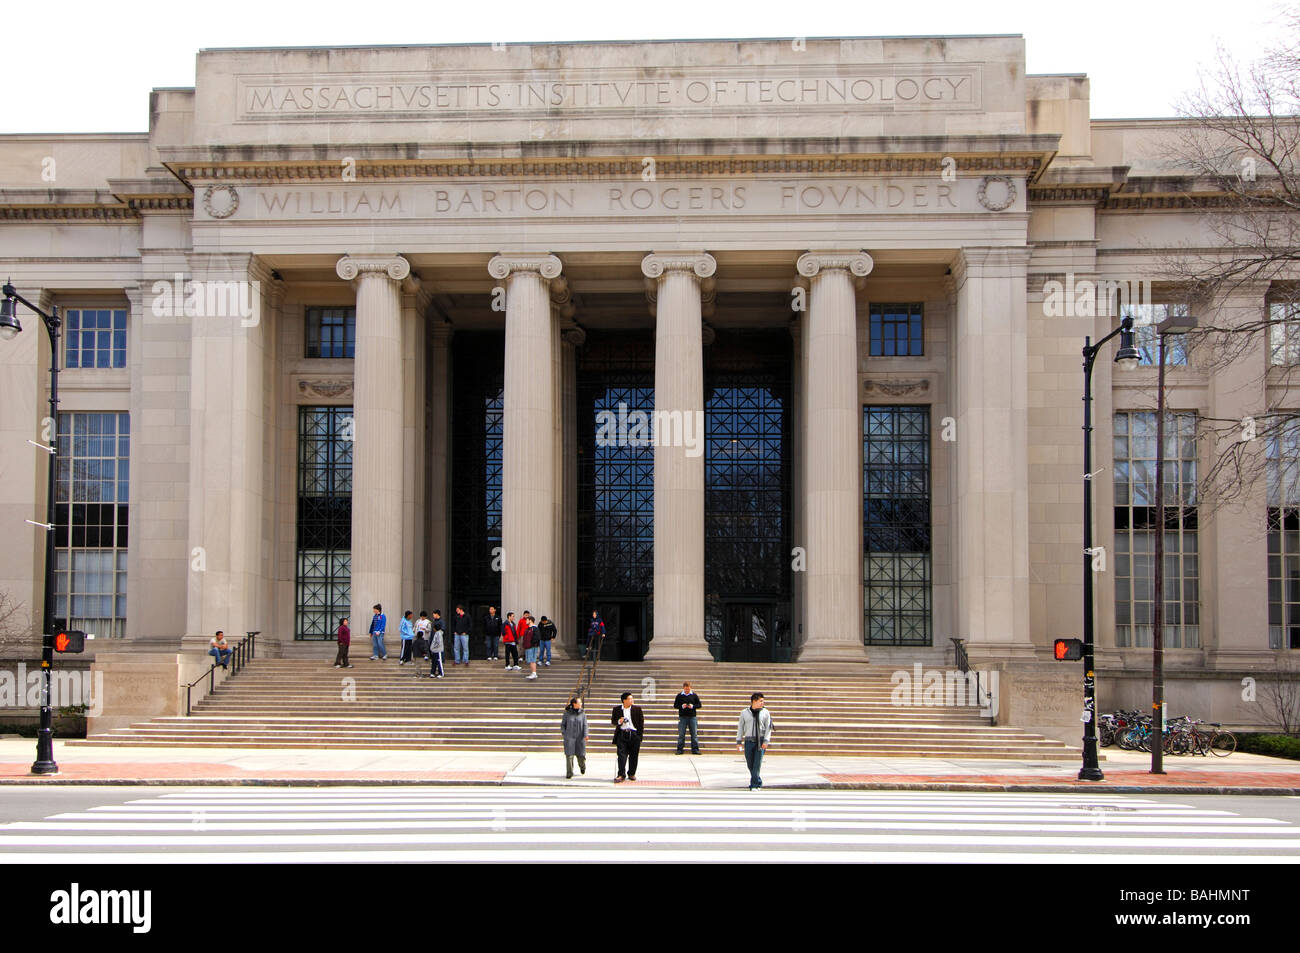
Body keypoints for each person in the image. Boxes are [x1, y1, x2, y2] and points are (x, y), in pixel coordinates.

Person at [736, 692, 773, 790]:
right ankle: (758, 780)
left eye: (763, 701)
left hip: (760, 740)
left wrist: (766, 741)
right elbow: (741, 727)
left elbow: (768, 728)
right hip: (748, 740)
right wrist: (738, 741)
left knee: (757, 763)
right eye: (760, 701)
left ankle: (754, 785)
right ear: (754, 701)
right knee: (750, 763)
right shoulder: (744, 712)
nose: (762, 703)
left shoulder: (765, 712)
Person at [610, 691, 644, 782]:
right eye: (629, 699)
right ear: (624, 701)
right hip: (622, 733)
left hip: (633, 734)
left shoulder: (637, 709)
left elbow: (641, 723)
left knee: (634, 755)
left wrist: (639, 736)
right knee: (621, 755)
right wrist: (619, 721)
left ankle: (631, 773)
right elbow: (613, 721)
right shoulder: (617, 709)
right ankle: (621, 774)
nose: (632, 700)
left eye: (632, 698)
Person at [561, 696, 589, 779]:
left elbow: (585, 725)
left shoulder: (583, 713)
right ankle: (569, 772)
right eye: (579, 702)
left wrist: (586, 734)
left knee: (581, 755)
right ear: (574, 704)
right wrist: (564, 734)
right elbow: (563, 725)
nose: (581, 704)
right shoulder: (567, 713)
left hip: (580, 738)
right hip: (569, 737)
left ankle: (582, 767)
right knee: (569, 755)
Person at [674, 680, 702, 755]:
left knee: (694, 734)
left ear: (690, 688)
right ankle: (680, 749)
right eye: (686, 689)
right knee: (681, 734)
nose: (687, 690)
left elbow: (699, 705)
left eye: (688, 689)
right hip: (682, 717)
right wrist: (682, 706)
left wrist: (692, 706)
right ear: (683, 688)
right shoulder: (679, 695)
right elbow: (675, 705)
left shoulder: (694, 695)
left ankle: (695, 749)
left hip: (692, 717)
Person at [426, 610, 445, 678]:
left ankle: (441, 673)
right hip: (434, 647)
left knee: (439, 661)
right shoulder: (434, 622)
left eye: (434, 614)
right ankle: (432, 672)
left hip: (438, 649)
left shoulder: (439, 632)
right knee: (433, 661)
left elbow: (439, 641)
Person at [521, 611, 540, 679]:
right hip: (529, 647)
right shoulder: (528, 628)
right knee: (531, 660)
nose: (526, 621)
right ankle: (533, 673)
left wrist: (532, 644)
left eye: (527, 620)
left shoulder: (534, 628)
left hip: (532, 647)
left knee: (532, 660)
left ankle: (534, 673)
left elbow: (537, 638)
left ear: (530, 620)